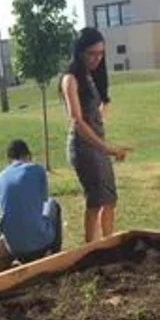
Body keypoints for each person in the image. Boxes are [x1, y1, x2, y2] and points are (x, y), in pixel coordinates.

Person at [60, 27, 131, 243]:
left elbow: (101, 107)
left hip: (97, 144)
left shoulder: (93, 77)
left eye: (101, 54)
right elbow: (77, 120)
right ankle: (91, 251)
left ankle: (107, 245)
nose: (97, 58)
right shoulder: (70, 79)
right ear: (80, 52)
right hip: (83, 147)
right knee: (96, 201)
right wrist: (107, 148)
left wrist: (103, 117)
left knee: (110, 199)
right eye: (92, 53)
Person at [0, 139, 62, 263]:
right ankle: (54, 254)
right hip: (39, 245)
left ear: (8, 159)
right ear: (28, 155)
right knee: (53, 205)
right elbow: (44, 200)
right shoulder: (37, 169)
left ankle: (23, 258)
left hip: (13, 248)